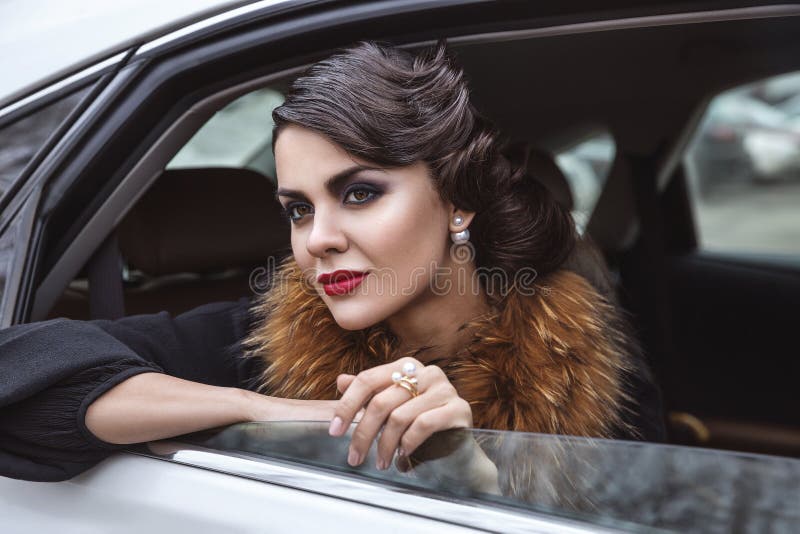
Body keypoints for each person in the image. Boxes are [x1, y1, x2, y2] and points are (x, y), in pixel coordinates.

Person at [0, 40, 665, 482]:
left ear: (460, 202)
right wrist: (268, 410)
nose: (317, 238)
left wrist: (469, 463)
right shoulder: (266, 342)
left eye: (360, 193)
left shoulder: (587, 367)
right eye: (298, 209)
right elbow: (24, 370)